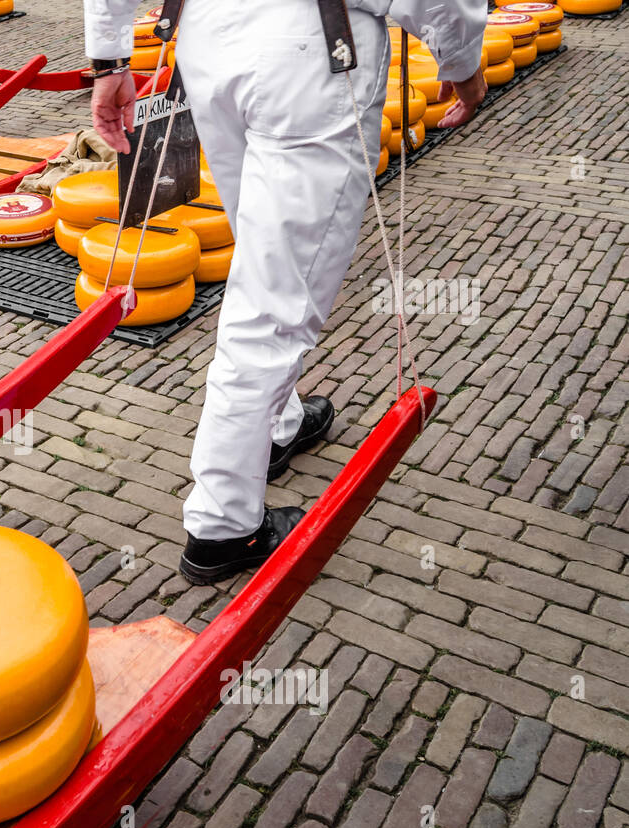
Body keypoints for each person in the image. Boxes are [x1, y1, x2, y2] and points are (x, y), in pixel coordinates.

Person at [83, 0, 487, 582]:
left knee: (261, 251)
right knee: (276, 301)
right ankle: (223, 523)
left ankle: (276, 425)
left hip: (211, 46)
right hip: (309, 61)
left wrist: (109, 58)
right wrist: (462, 60)